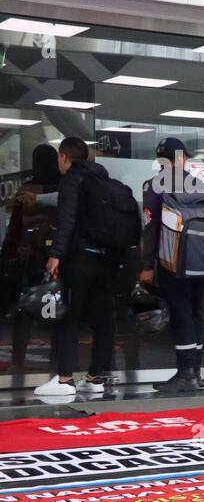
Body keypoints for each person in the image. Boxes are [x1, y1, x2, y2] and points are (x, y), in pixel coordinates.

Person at [35, 138, 122, 397]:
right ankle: (96, 378)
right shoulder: (104, 179)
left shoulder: (72, 179)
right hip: (105, 259)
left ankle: (64, 379)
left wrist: (55, 255)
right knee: (103, 319)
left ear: (64, 157)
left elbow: (67, 219)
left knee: (68, 316)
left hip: (80, 259)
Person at [138, 138, 204, 394]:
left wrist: (146, 265)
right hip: (202, 259)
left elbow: (150, 228)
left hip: (172, 260)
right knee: (194, 313)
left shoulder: (154, 186)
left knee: (181, 313)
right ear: (182, 157)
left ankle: (185, 373)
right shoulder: (200, 185)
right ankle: (194, 372)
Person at [1, 144, 60, 373]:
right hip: (54, 258)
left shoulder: (29, 190)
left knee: (25, 311)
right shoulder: (61, 186)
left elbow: (15, 228)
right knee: (56, 309)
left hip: (31, 257)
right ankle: (57, 360)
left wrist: (8, 254)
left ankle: (18, 360)